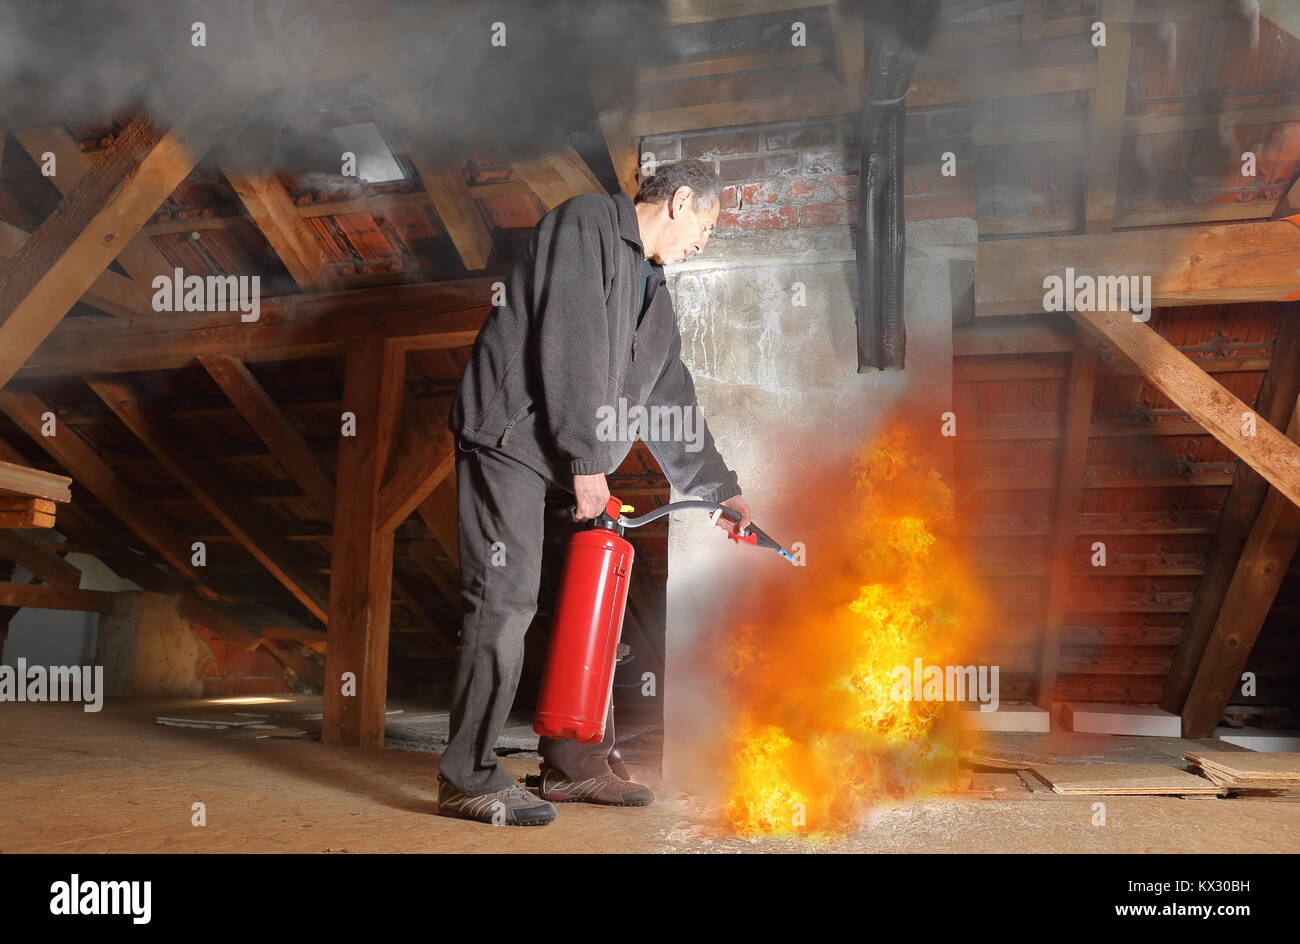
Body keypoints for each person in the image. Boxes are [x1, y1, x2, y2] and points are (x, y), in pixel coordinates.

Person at [439, 158, 751, 825]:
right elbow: (571, 340)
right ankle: (467, 774)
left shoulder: (655, 294)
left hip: (569, 460)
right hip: (512, 444)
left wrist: (720, 491)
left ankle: (573, 764)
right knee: (506, 598)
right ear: (682, 201)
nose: (703, 244)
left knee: (595, 598)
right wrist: (587, 462)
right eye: (707, 227)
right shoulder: (586, 224)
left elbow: (671, 400)